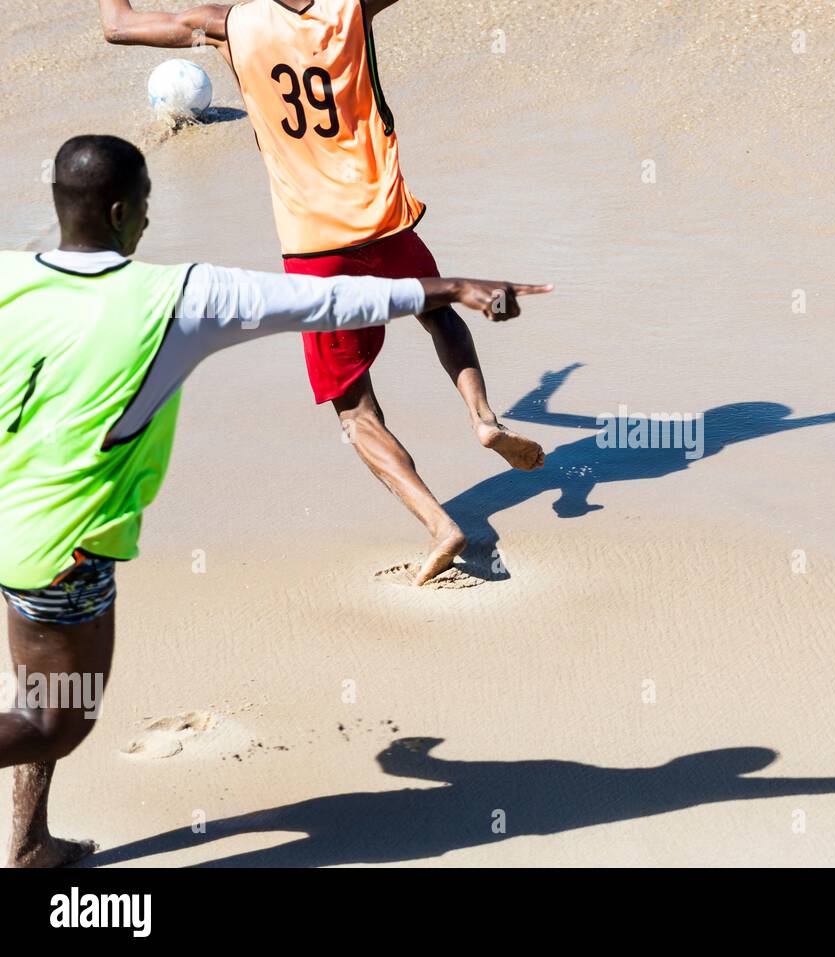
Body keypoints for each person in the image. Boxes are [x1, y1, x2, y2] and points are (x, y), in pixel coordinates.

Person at [0, 134, 548, 867]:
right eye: (148, 208)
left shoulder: (9, 275)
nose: (152, 224)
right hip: (61, 552)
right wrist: (448, 288)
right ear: (124, 210)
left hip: (13, 523)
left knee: (34, 687)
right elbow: (321, 300)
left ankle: (30, 845)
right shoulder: (178, 298)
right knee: (53, 724)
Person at [98, 0, 548, 584]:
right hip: (384, 221)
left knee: (356, 410)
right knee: (439, 313)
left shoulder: (231, 24)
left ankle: (441, 525)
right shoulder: (350, 8)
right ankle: (484, 418)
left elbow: (118, 26)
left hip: (316, 249)